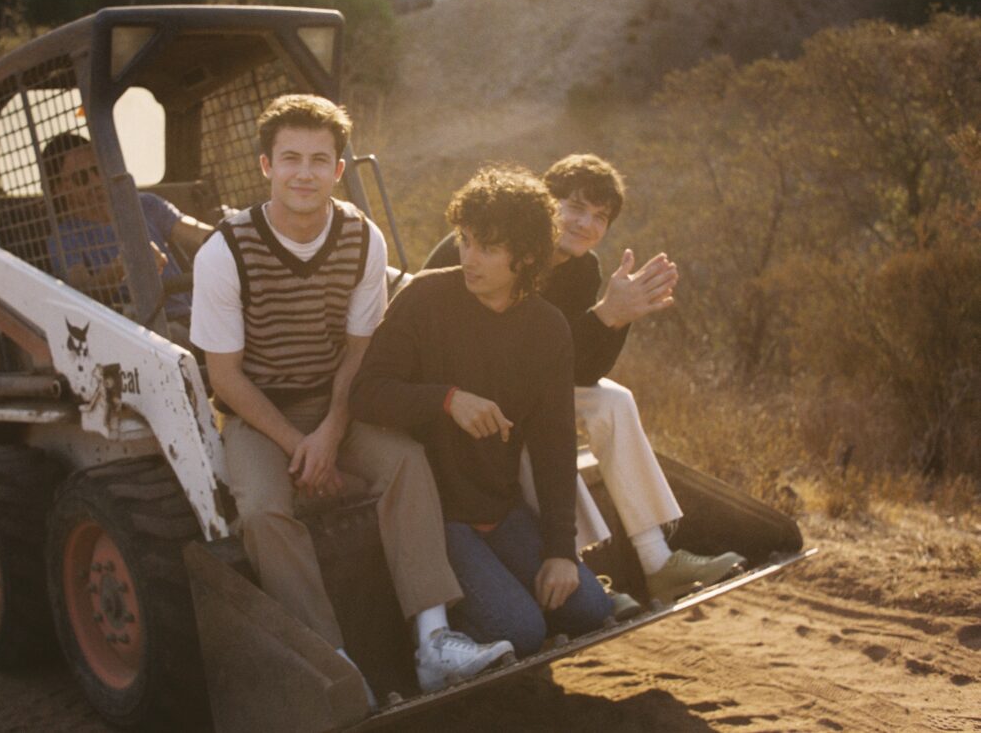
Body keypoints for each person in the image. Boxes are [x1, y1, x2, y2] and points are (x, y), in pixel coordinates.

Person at [190, 94, 514, 699]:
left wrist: (332, 433)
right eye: (290, 158)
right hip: (259, 413)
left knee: (407, 463)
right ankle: (330, 660)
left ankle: (434, 640)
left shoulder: (363, 239)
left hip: (338, 399)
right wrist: (299, 445)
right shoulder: (224, 252)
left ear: (340, 170)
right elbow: (226, 379)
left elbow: (360, 350)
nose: (304, 173)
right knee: (261, 508)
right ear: (266, 166)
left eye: (319, 159)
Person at [426, 153, 745, 604]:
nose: (585, 224)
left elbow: (577, 370)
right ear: (544, 199)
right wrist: (602, 318)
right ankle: (583, 576)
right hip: (459, 391)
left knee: (613, 401)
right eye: (574, 207)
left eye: (600, 217)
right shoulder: (486, 242)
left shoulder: (582, 267)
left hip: (526, 388)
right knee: (542, 429)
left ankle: (657, 561)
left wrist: (616, 318)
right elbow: (442, 339)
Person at [350, 165, 613, 659]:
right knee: (524, 629)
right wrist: (446, 399)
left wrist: (559, 550)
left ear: (529, 256)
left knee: (587, 609)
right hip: (439, 515)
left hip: (500, 506)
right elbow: (365, 394)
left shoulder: (548, 328)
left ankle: (507, 589)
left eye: (487, 249)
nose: (469, 259)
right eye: (465, 240)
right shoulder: (425, 297)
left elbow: (555, 445)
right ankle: (437, 627)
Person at [43, 133, 213, 333]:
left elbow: (196, 233)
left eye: (98, 170)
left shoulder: (143, 204)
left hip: (193, 316)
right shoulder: (65, 239)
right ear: (58, 189)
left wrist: (233, 234)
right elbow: (82, 293)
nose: (96, 182)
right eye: (81, 178)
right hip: (142, 331)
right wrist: (125, 265)